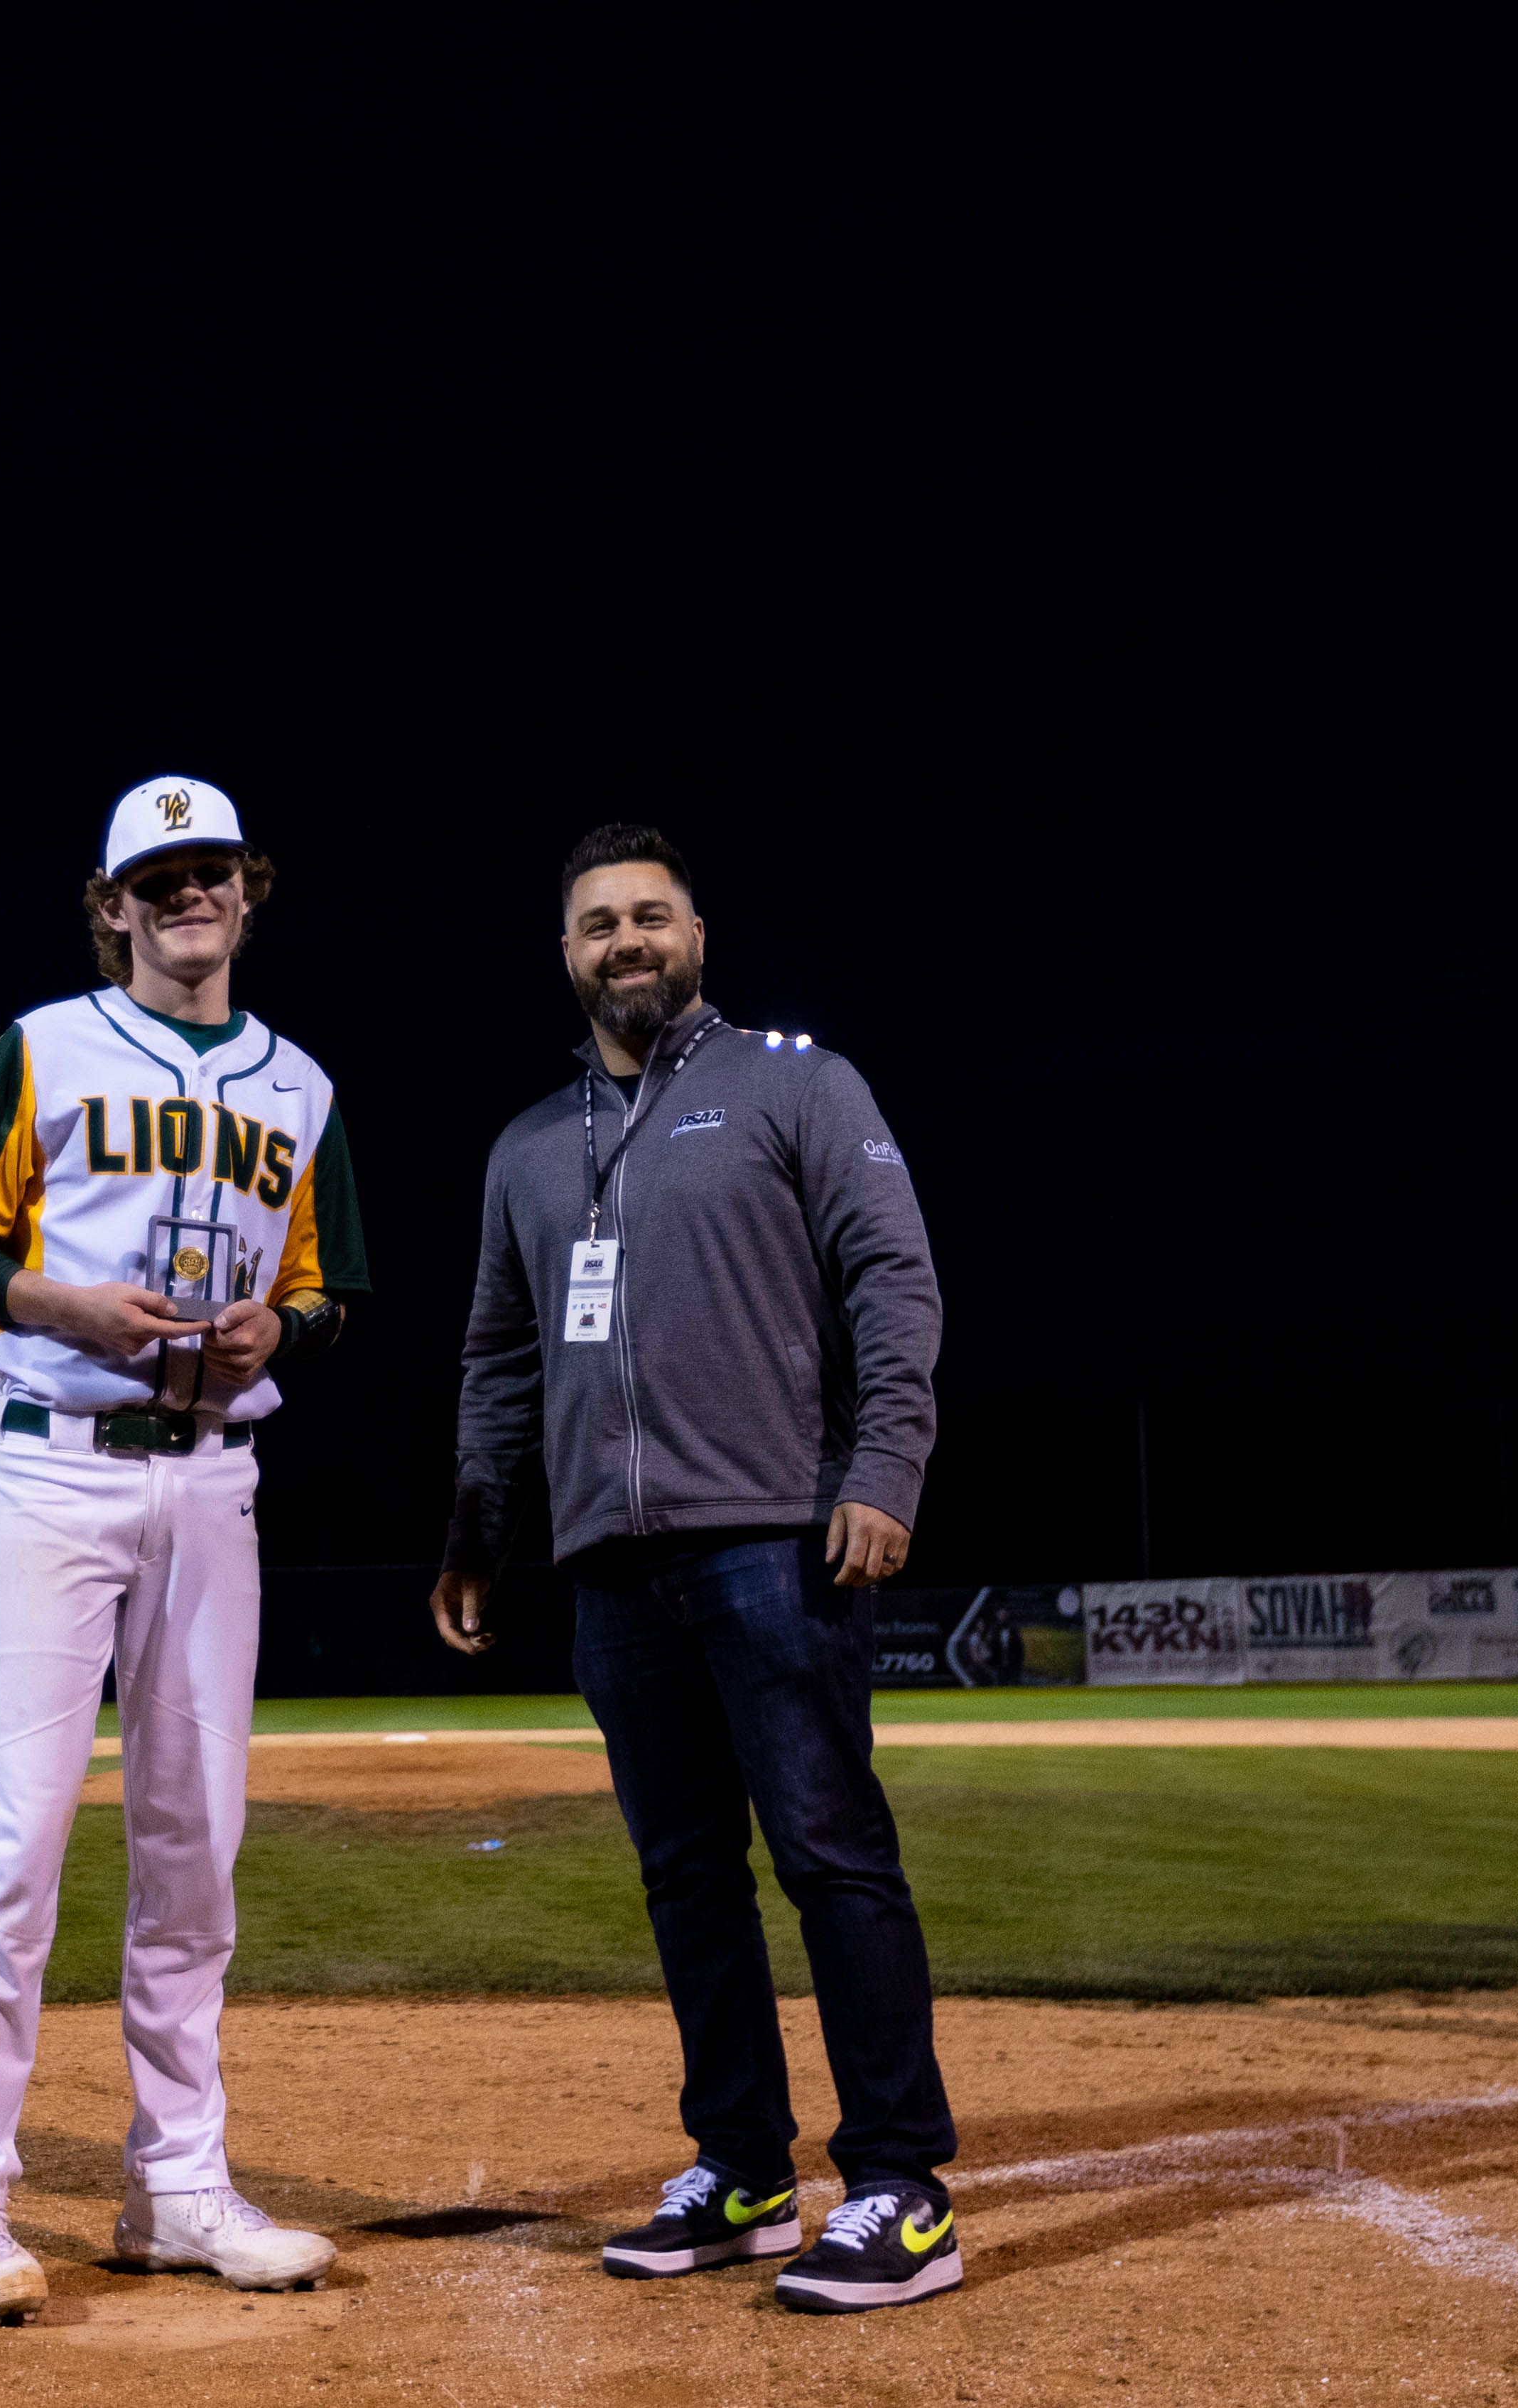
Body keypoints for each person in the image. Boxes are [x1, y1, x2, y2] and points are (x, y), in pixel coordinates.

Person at [435, 822, 960, 2314]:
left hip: (772, 1541)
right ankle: (738, 2167)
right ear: (564, 954)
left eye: (648, 916)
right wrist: (480, 1527)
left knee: (828, 1855)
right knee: (684, 1882)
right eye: (596, 922)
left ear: (697, 934)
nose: (625, 942)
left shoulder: (796, 1085)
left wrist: (881, 1471)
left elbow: (893, 1279)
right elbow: (496, 1355)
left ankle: (899, 2184)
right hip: (610, 1566)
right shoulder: (529, 1149)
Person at [0, 776, 369, 2323]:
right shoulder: (38, 1048)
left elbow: (332, 1284)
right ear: (109, 905)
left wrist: (277, 1326)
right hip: (56, 1471)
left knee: (194, 1853)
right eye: (154, 875)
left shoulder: (297, 1087)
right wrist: (58, 1305)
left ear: (247, 890)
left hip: (216, 1483)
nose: (186, 894)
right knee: (19, 1842)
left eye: (209, 869)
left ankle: (178, 2186)